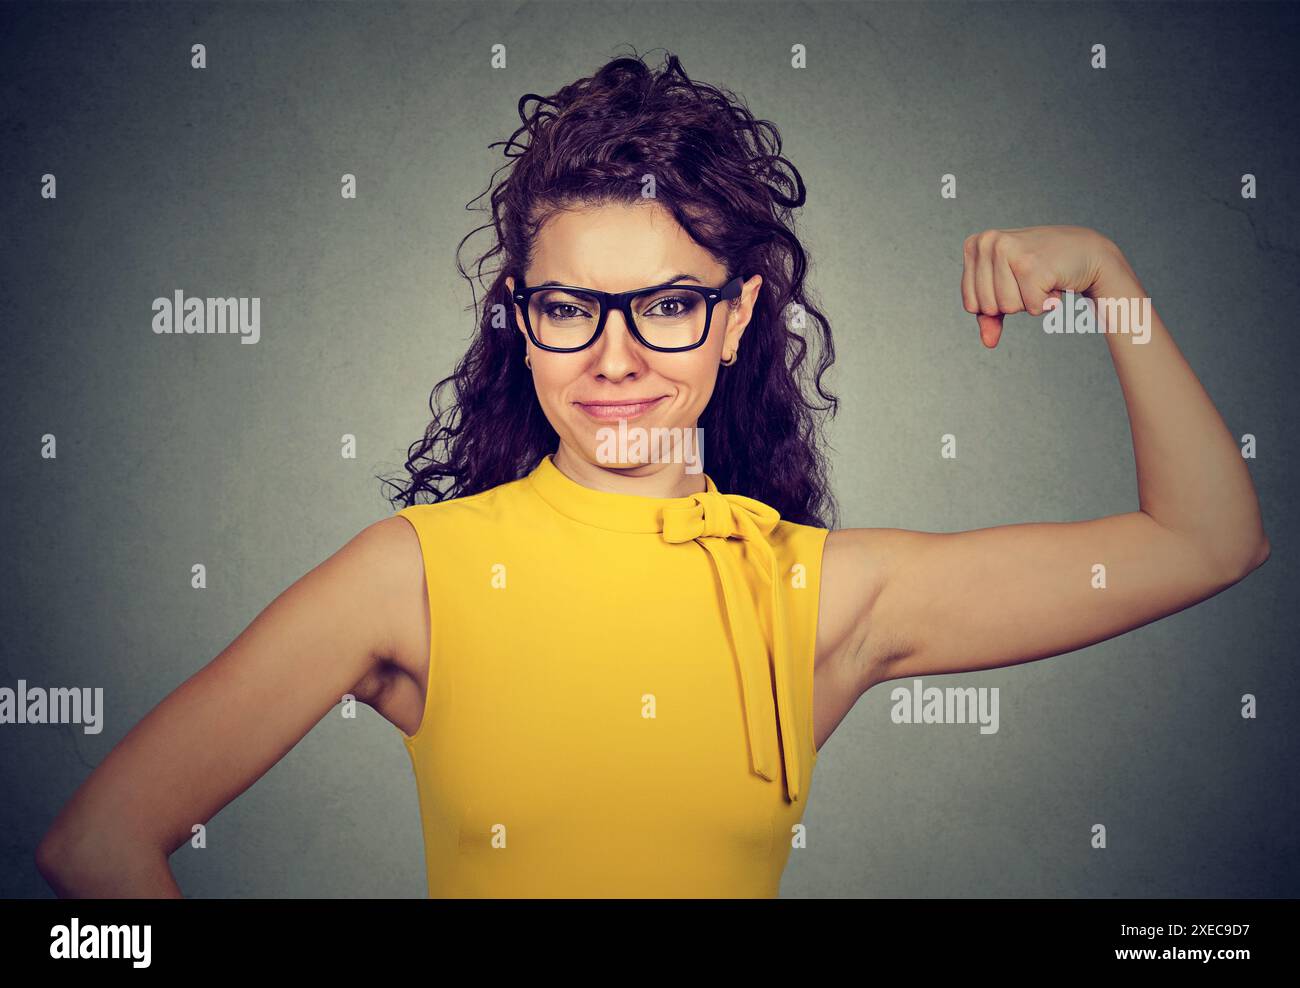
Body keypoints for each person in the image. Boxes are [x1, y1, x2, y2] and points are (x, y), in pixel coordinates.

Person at [36, 52, 1269, 898]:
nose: (615, 357)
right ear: (520, 316)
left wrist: (1110, 280)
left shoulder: (817, 592)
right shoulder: (415, 574)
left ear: (736, 318)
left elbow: (1208, 539)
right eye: (571, 306)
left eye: (670, 304)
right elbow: (99, 847)